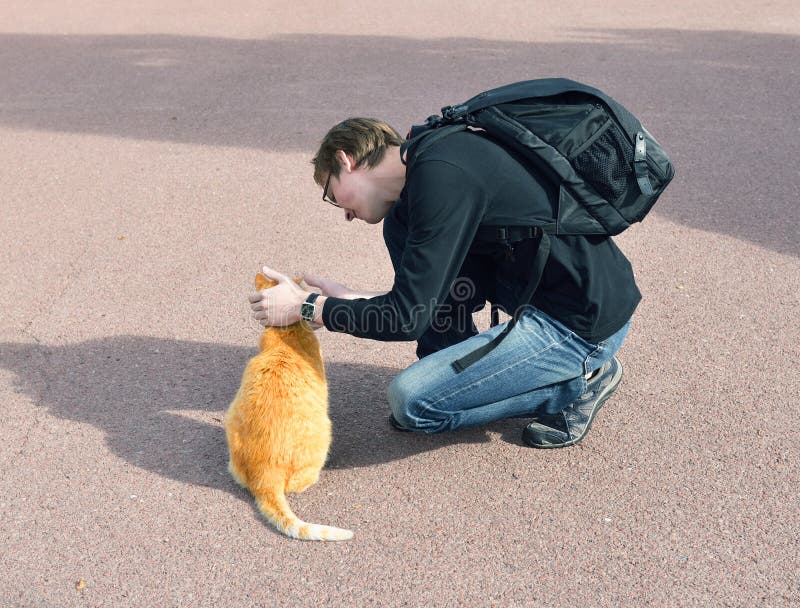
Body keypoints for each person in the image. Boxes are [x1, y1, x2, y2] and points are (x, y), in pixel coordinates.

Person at [249, 117, 640, 448]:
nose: (345, 215)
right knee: (397, 225)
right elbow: (427, 300)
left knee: (413, 402)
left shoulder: (442, 176)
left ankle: (579, 382)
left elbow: (406, 320)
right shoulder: (420, 177)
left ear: (345, 160)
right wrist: (353, 300)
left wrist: (306, 307)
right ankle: (478, 372)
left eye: (333, 196)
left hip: (578, 323)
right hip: (542, 303)